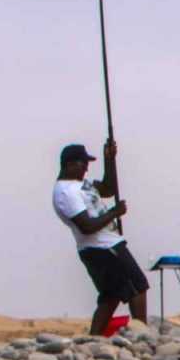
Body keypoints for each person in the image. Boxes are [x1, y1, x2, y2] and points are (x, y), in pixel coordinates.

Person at [51, 140, 150, 336]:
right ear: (70, 164)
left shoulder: (79, 184)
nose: (87, 168)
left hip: (103, 246)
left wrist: (109, 159)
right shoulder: (65, 193)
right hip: (103, 247)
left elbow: (108, 188)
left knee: (110, 295)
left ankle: (94, 338)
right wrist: (114, 212)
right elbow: (87, 226)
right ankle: (142, 335)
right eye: (83, 163)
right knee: (138, 286)